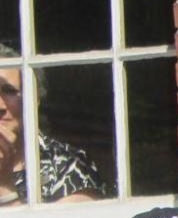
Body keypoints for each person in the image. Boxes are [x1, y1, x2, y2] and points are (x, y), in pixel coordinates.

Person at [0, 44, 107, 204]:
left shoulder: (67, 166)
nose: (0, 106)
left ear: (34, 98)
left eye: (8, 91)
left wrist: (4, 184)